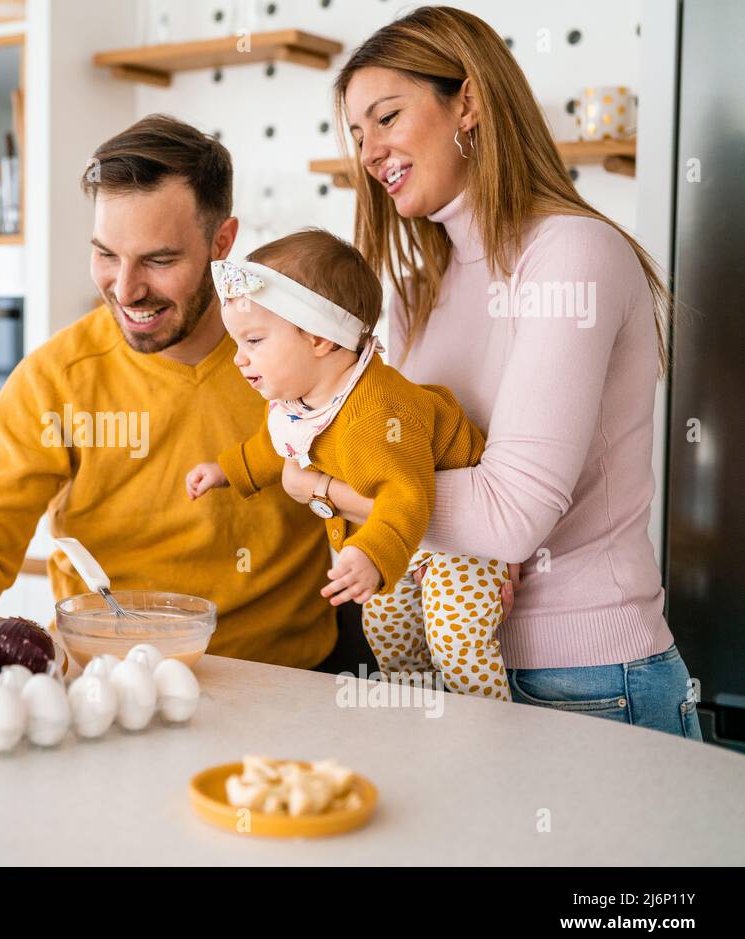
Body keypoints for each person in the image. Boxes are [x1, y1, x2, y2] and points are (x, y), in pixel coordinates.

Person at [286, 6, 699, 737]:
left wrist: (321, 485)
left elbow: (508, 517)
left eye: (386, 117)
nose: (370, 150)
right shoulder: (419, 290)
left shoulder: (572, 255)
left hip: (585, 681)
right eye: (356, 135)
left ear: (468, 102)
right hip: (453, 670)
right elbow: (403, 466)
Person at [0, 115, 339, 669]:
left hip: (289, 682)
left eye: (159, 261)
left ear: (222, 243)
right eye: (107, 255)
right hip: (109, 683)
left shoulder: (307, 352)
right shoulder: (58, 377)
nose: (126, 288)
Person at [187, 229, 511, 698]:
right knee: (384, 628)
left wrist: (370, 555)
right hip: (393, 536)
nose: (239, 359)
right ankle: (421, 710)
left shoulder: (376, 413)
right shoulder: (298, 399)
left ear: (319, 338)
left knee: (456, 640)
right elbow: (273, 445)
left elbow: (407, 494)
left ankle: (488, 726)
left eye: (254, 340)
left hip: (456, 545)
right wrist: (226, 471)